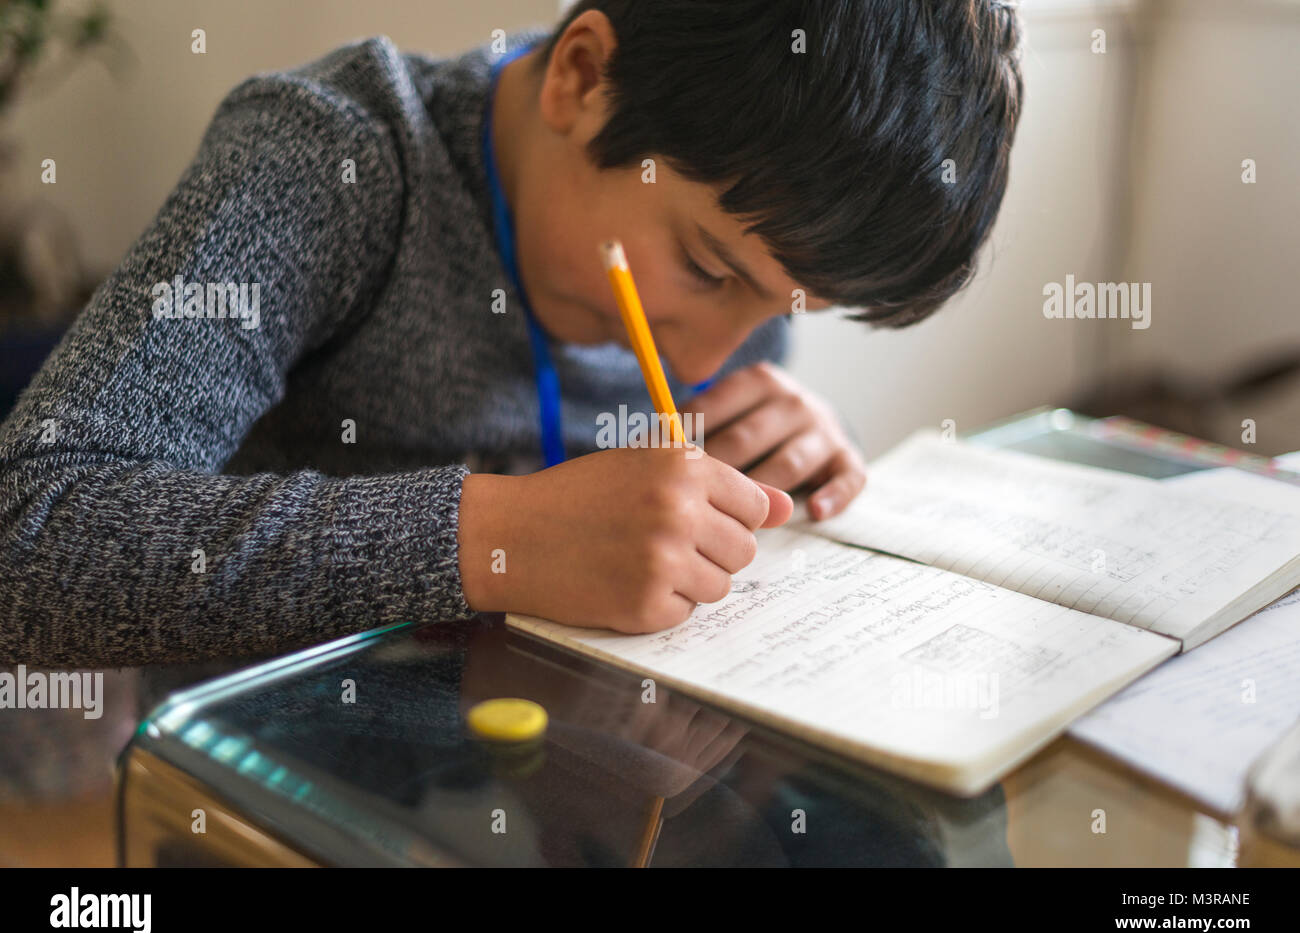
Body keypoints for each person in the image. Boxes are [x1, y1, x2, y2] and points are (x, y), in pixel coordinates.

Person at [0, 1, 1023, 668]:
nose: (714, 359)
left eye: (781, 312)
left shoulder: (734, 235)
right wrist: (489, 538)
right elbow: (30, 540)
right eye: (709, 270)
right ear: (582, 77)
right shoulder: (334, 159)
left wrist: (762, 473)